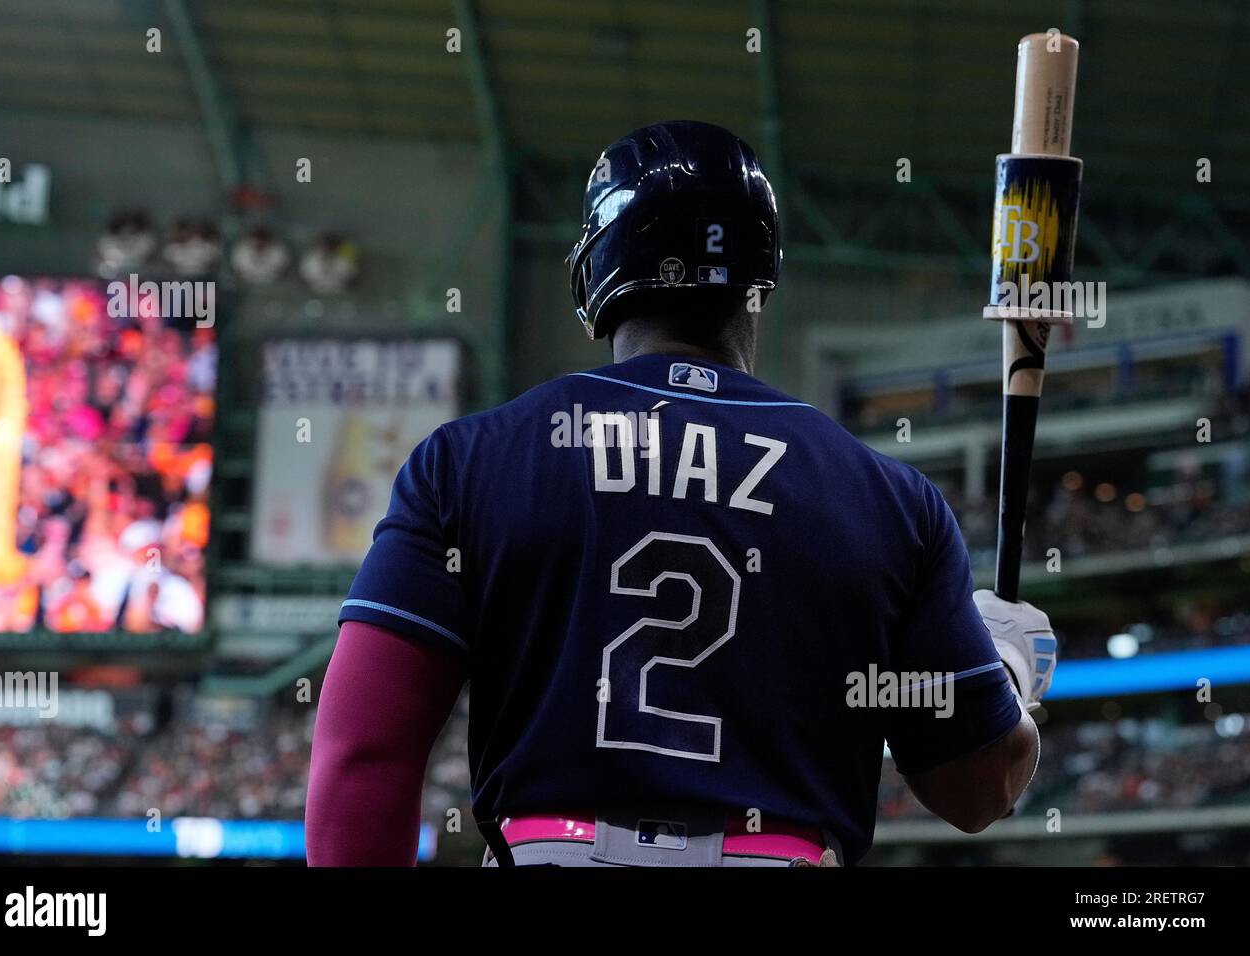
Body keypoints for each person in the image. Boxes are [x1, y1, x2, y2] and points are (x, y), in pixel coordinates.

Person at [306, 120, 1056, 867]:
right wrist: (1011, 669)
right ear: (761, 281)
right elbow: (976, 788)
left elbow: (362, 757)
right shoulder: (891, 500)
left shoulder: (468, 462)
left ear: (597, 270)